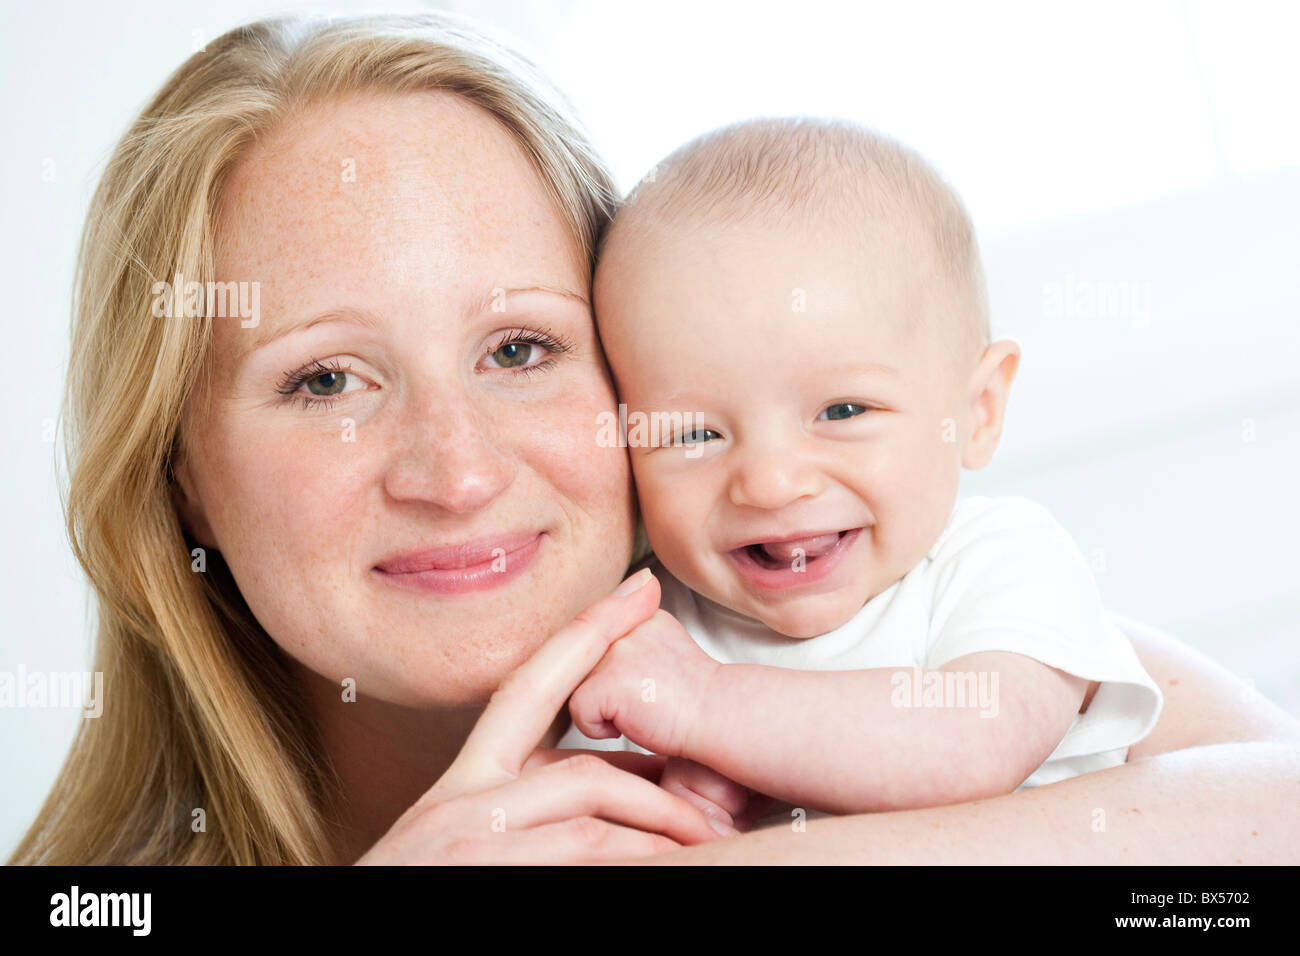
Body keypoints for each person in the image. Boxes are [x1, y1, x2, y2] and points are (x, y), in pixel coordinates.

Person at [9, 12, 1298, 866]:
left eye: (520, 348)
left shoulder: (881, 617)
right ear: (182, 477)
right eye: (326, 378)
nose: (457, 471)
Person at [556, 116, 1162, 829]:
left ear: (979, 410)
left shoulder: (999, 562)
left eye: (842, 410)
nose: (772, 483)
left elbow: (973, 745)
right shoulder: (646, 624)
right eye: (693, 433)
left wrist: (707, 707)